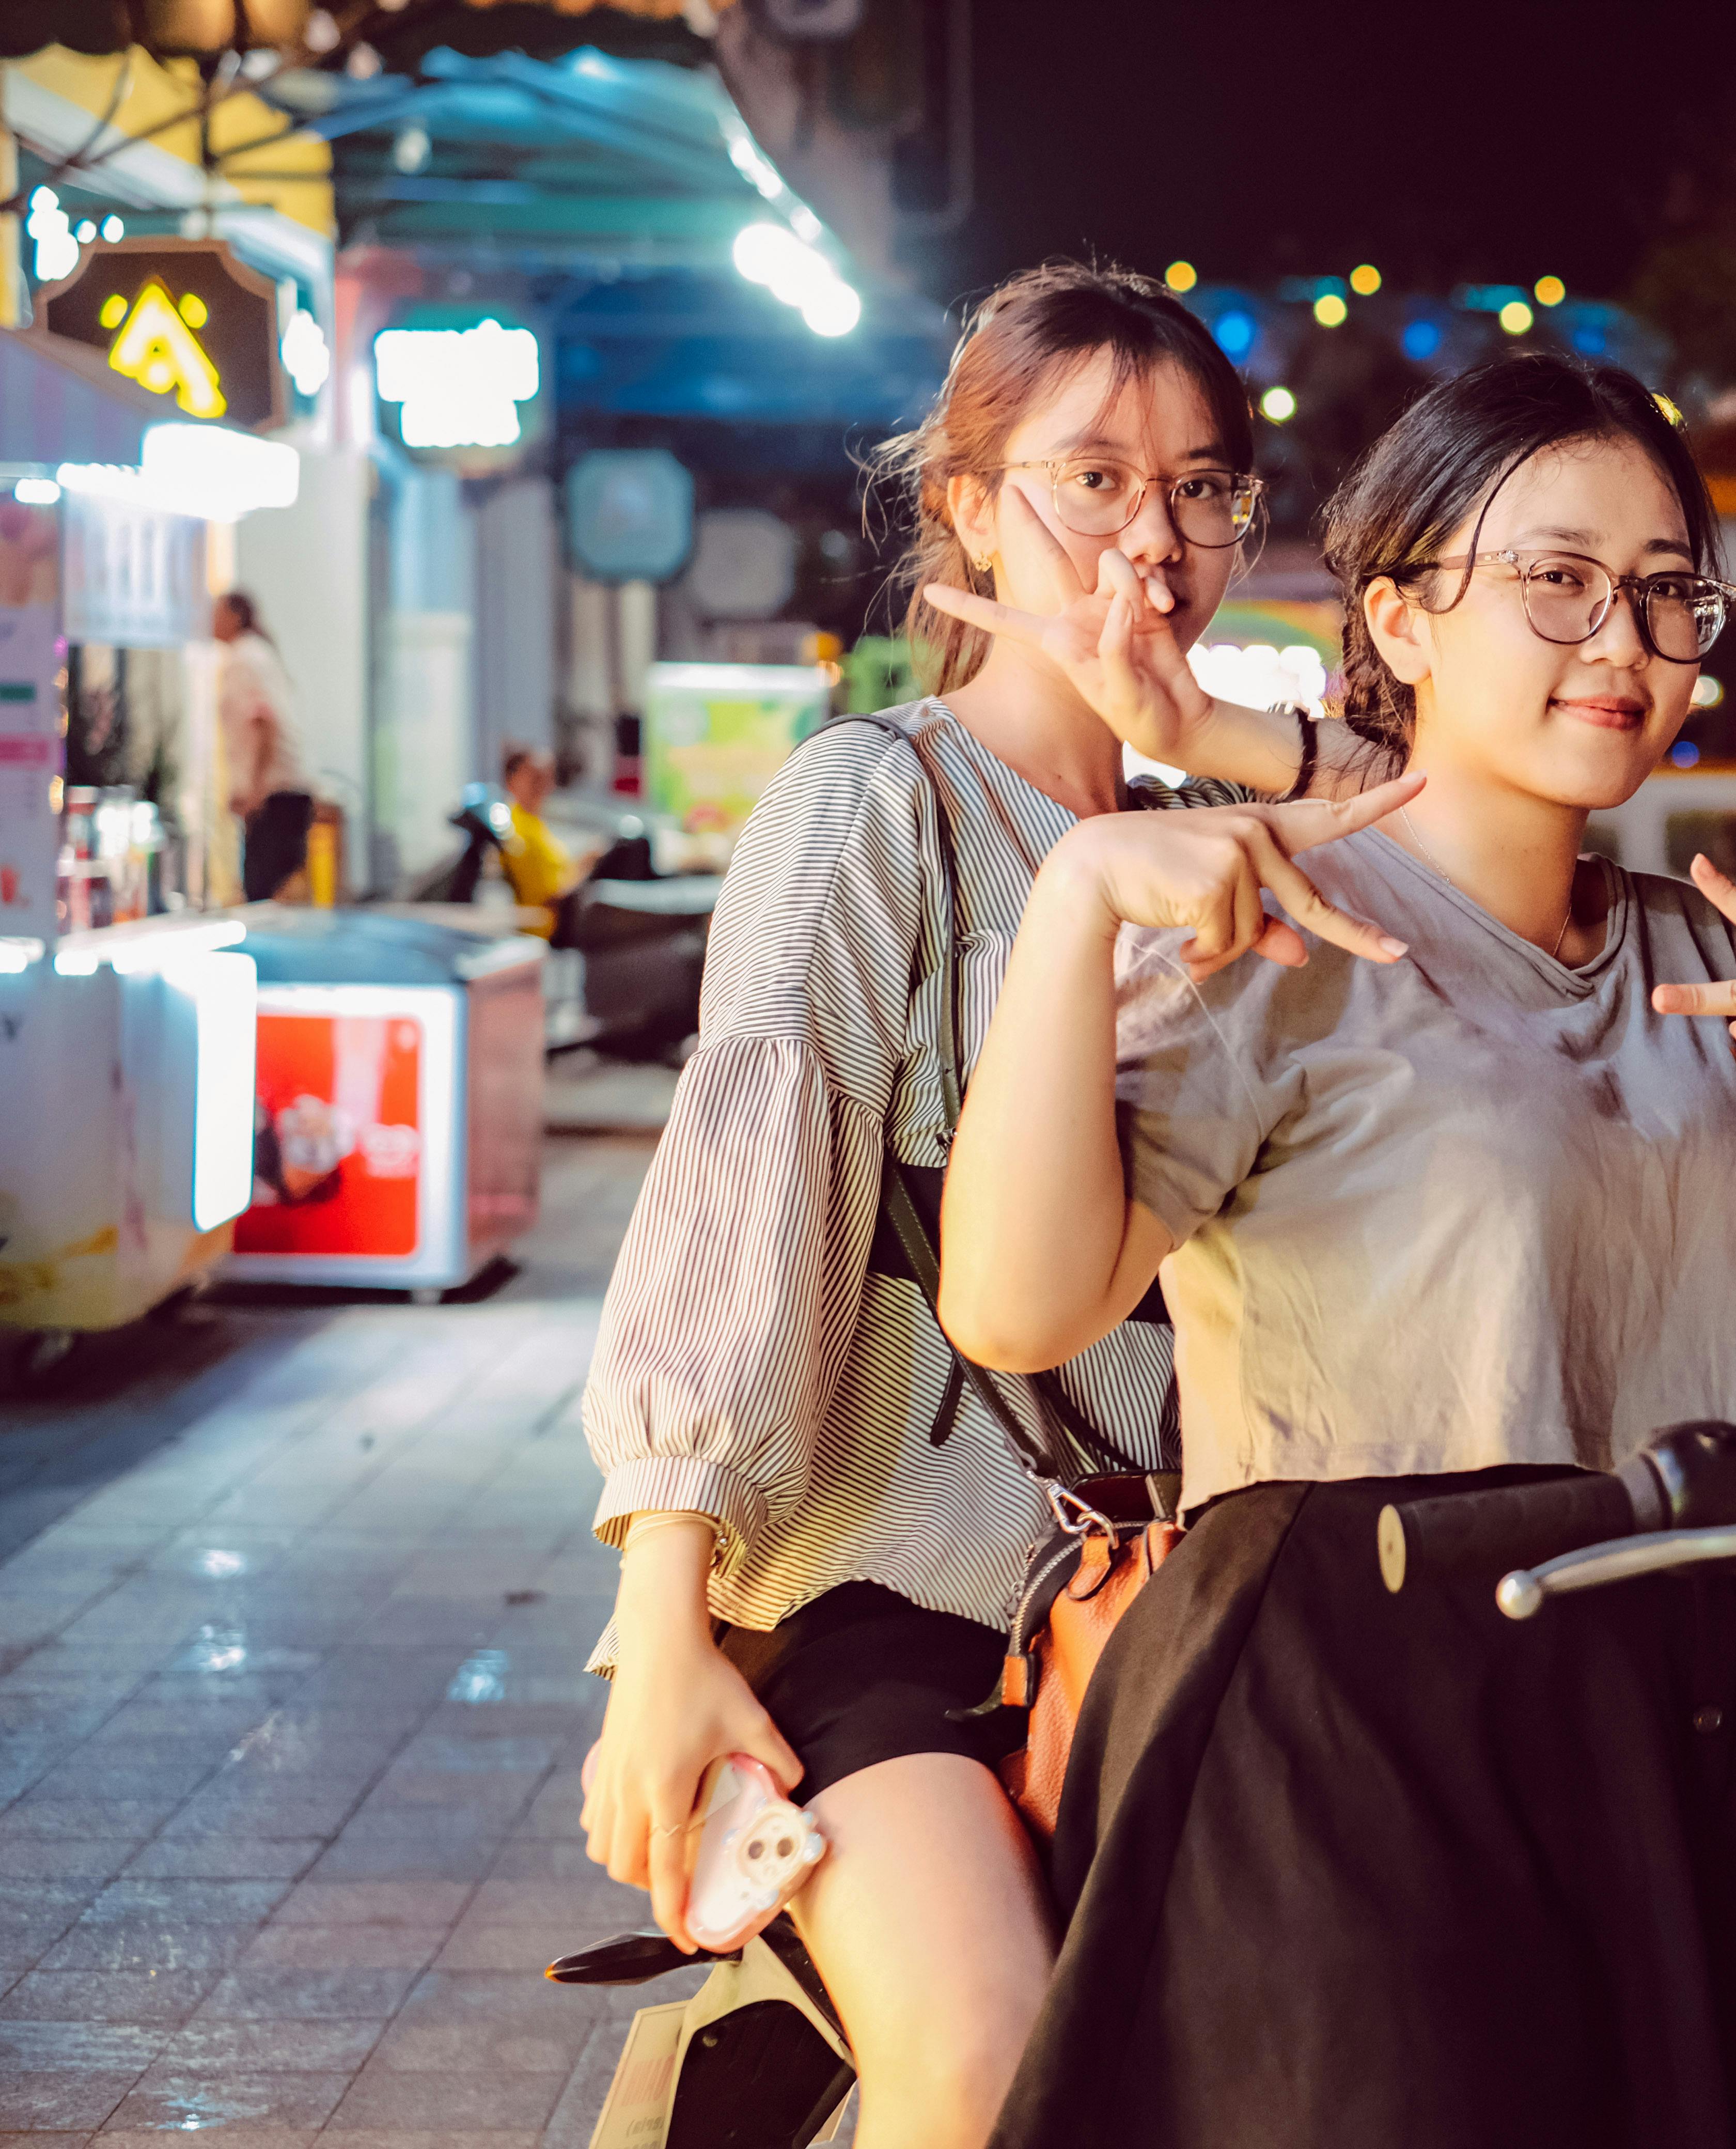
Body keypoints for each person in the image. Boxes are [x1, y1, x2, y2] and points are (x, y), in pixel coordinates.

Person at [937, 352, 1736, 2149]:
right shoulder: (1288, 928)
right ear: (1404, 614)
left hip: (1674, 1686)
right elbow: (1017, 1305)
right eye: (1557, 579)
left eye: (1668, 591)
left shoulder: (1693, 946)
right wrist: (1075, 911)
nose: (1624, 639)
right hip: (1354, 1710)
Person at [576, 260, 1303, 2149]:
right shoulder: (873, 801)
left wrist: (1221, 740)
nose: (1152, 537)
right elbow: (748, 1188)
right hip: (879, 1595)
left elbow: (1486, 839)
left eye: (1203, 488)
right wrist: (663, 1631)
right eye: (1091, 479)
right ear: (967, 507)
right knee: (986, 2069)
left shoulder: (1243, 855)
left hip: (1178, 1601)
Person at [217, 590, 310, 902]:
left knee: (262, 902)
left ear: (235, 617)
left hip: (274, 797)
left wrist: (255, 790)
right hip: (285, 793)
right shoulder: (260, 654)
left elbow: (265, 724)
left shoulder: (243, 660)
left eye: (217, 613)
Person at [496, 745, 579, 930]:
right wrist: (585, 868)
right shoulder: (514, 829)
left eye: (546, 778)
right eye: (535, 778)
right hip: (550, 929)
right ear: (511, 782)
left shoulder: (536, 824)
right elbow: (550, 898)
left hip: (564, 920)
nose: (543, 786)